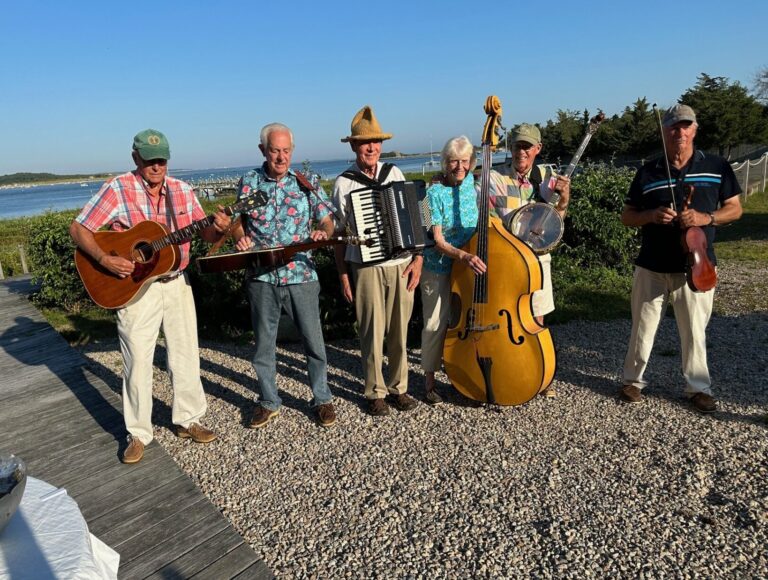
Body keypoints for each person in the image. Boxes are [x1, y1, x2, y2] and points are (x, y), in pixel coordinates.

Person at [70, 129, 230, 464]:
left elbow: (205, 232)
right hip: (135, 289)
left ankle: (188, 419)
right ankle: (138, 434)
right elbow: (79, 228)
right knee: (138, 361)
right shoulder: (118, 188)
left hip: (176, 282)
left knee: (185, 354)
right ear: (135, 157)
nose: (156, 166)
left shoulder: (182, 191)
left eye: (162, 160)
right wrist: (104, 259)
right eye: (149, 159)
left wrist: (219, 228)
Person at [620, 104, 743, 414]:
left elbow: (735, 209)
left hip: (698, 264)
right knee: (642, 327)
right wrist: (650, 215)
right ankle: (633, 381)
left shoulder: (716, 166)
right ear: (664, 131)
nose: (680, 132)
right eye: (674, 126)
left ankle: (698, 388)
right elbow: (627, 216)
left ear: (695, 130)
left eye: (686, 126)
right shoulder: (648, 171)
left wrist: (706, 217)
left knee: (695, 331)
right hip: (652, 264)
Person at [231, 123, 337, 428]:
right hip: (261, 277)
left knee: (314, 342)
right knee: (263, 345)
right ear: (263, 150)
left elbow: (327, 220)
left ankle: (322, 398)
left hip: (301, 273)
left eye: (286, 151)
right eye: (275, 150)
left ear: (292, 151)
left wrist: (323, 232)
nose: (281, 157)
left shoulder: (306, 181)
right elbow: (237, 221)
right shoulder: (250, 181)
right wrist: (239, 237)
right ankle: (268, 401)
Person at [333, 105, 423, 416]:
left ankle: (400, 388)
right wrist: (343, 275)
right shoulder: (344, 183)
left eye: (375, 142)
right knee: (371, 332)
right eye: (364, 143)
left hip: (400, 265)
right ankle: (374, 392)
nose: (371, 148)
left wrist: (418, 259)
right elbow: (338, 235)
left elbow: (416, 219)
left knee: (400, 331)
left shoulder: (394, 173)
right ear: (354, 147)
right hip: (365, 267)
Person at [490, 123, 570, 397]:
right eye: (517, 146)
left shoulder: (548, 178)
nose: (521, 152)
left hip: (537, 260)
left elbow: (555, 220)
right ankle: (505, 367)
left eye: (527, 147)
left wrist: (564, 201)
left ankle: (539, 373)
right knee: (505, 317)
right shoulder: (494, 177)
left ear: (538, 148)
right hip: (506, 260)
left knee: (536, 318)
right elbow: (480, 213)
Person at [421, 136, 486, 404]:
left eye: (465, 161)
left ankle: (466, 371)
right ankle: (429, 382)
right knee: (435, 322)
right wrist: (462, 255)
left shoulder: (473, 185)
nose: (460, 167)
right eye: (453, 161)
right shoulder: (430, 195)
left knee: (468, 321)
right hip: (438, 266)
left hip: (466, 267)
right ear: (445, 163)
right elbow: (435, 240)